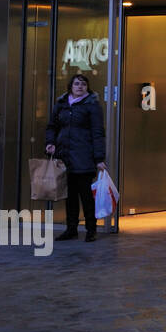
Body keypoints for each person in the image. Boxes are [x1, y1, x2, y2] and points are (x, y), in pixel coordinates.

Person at [45, 73, 108, 243]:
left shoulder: (92, 106)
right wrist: (50, 142)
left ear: (87, 87)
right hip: (64, 157)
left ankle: (91, 229)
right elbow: (52, 126)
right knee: (70, 195)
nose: (80, 87)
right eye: (77, 84)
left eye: (83, 84)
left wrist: (99, 158)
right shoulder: (61, 104)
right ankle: (71, 229)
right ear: (70, 87)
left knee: (86, 195)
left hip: (84, 156)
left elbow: (98, 133)